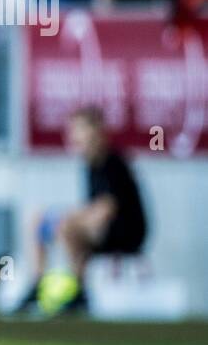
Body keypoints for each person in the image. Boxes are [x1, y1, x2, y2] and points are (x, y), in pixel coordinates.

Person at [16, 106, 147, 316]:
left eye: (78, 129)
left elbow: (105, 210)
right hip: (102, 229)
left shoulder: (113, 162)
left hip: (126, 233)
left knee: (67, 226)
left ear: (95, 132)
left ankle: (79, 290)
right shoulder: (89, 164)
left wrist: (67, 219)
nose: (72, 135)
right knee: (37, 219)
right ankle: (38, 284)